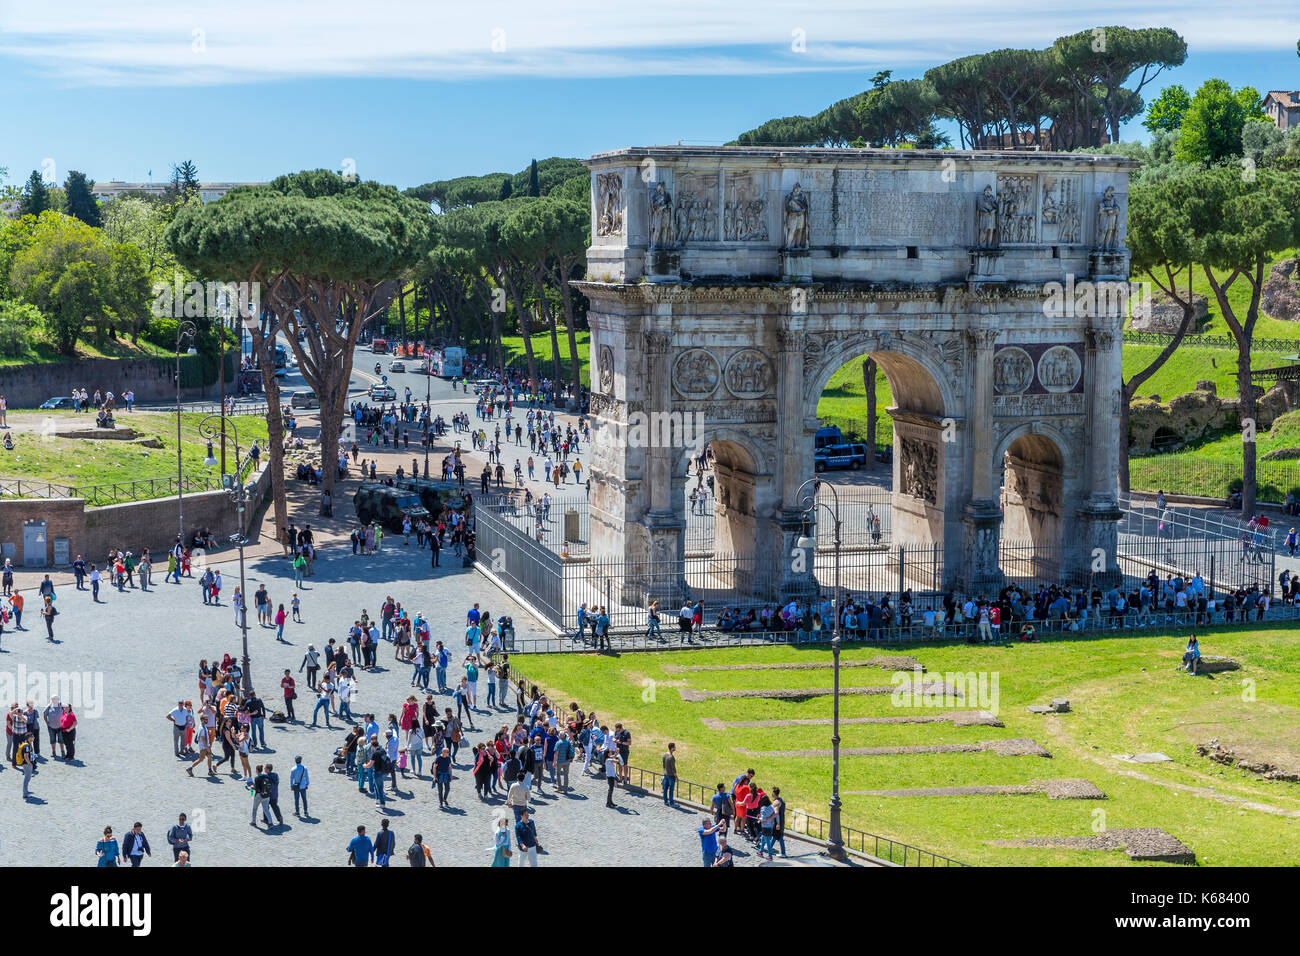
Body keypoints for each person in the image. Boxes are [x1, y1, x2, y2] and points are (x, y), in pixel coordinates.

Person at [661, 742, 678, 806]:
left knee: (665, 789)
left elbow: (663, 765)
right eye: (674, 747)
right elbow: (673, 769)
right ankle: (671, 802)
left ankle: (665, 801)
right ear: (672, 748)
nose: (675, 748)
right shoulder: (671, 757)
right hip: (671, 775)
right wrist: (676, 777)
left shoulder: (664, 755)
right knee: (671, 790)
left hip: (665, 774)